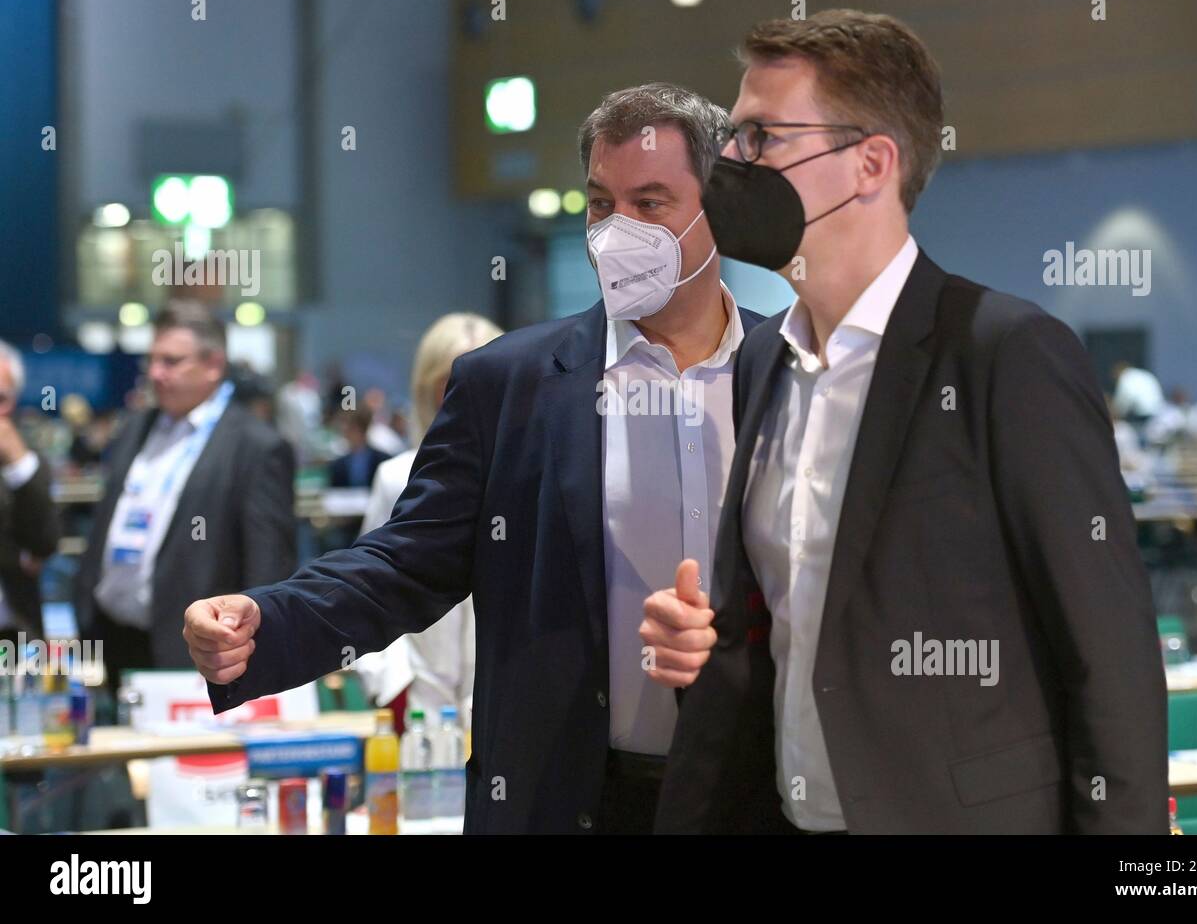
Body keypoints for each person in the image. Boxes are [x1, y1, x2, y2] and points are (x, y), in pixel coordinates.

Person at [184, 83, 767, 833]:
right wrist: (266, 618)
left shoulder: (787, 373)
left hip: (753, 796)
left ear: (719, 208)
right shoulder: (511, 383)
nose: (617, 231)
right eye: (598, 204)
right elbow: (406, 563)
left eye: (650, 204)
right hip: (565, 796)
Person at [640, 10, 1166, 834]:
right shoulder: (761, 360)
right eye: (731, 139)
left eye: (760, 138)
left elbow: (1112, 659)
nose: (729, 165)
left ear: (871, 164)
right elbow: (781, 622)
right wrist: (701, 645)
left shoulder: (1005, 355)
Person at [76, 300, 297, 689]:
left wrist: (243, 656)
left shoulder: (256, 446)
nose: (156, 373)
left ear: (213, 365)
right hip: (111, 637)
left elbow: (268, 567)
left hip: (190, 655)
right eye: (152, 361)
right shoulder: (137, 428)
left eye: (172, 361)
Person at [351, 313, 503, 734]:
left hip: (504, 695)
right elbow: (369, 583)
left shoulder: (532, 476)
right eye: (449, 381)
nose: (464, 393)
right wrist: (386, 679)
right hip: (419, 700)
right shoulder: (398, 477)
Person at [0, 340, 60, 642]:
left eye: (0, 398)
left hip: (15, 632)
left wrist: (17, 464)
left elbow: (45, 543)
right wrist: (16, 555)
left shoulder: (28, 456)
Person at [328, 404, 390, 489]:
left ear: (362, 428)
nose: (346, 432)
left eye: (351, 428)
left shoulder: (384, 462)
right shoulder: (338, 466)